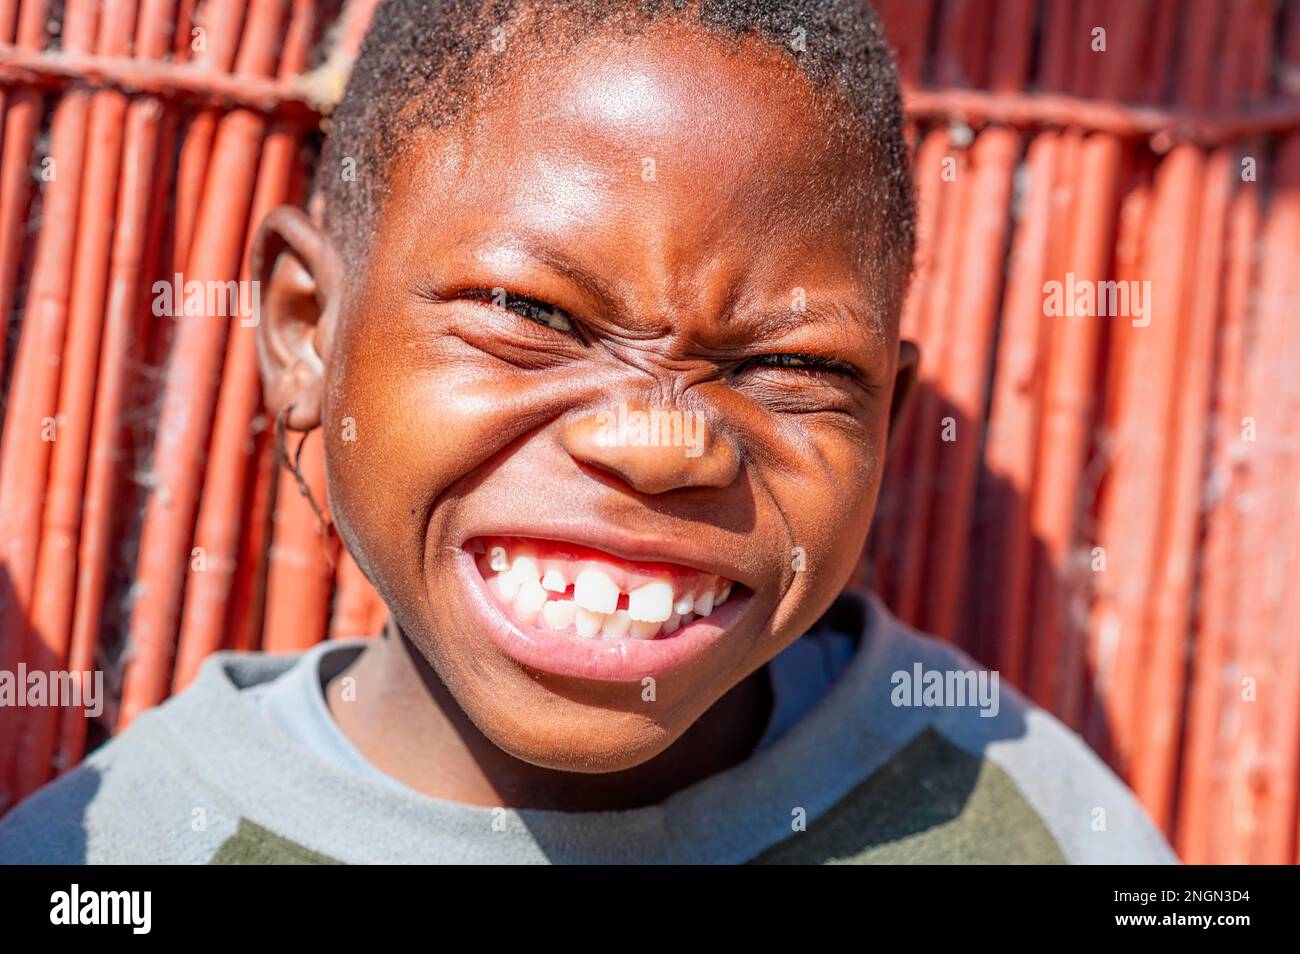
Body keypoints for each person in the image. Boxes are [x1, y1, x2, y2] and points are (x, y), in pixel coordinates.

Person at [0, 0, 1175, 864]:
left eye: (793, 367)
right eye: (531, 315)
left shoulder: (1026, 815)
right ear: (308, 331)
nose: (658, 445)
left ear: (885, 419)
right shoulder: (113, 857)